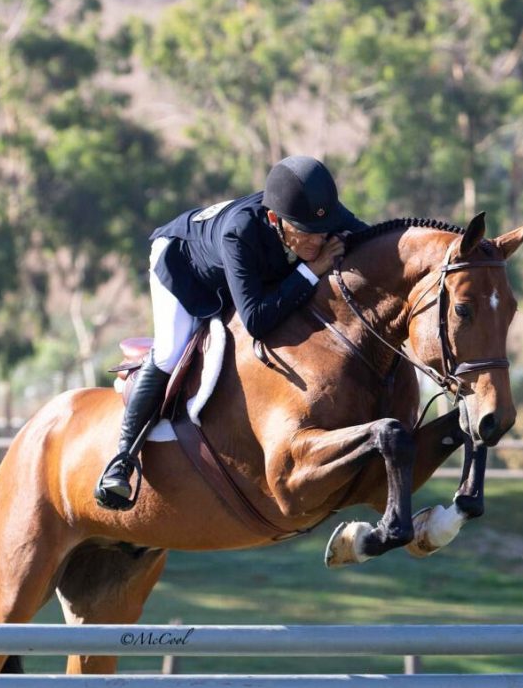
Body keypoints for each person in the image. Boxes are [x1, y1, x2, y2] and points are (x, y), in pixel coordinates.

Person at [94, 155, 367, 510]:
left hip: (236, 273)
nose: (318, 239)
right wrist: (310, 271)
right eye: (306, 232)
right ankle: (122, 459)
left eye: (323, 229)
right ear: (275, 219)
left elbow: (374, 237)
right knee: (171, 351)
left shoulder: (315, 213)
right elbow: (255, 320)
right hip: (181, 268)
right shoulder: (240, 232)